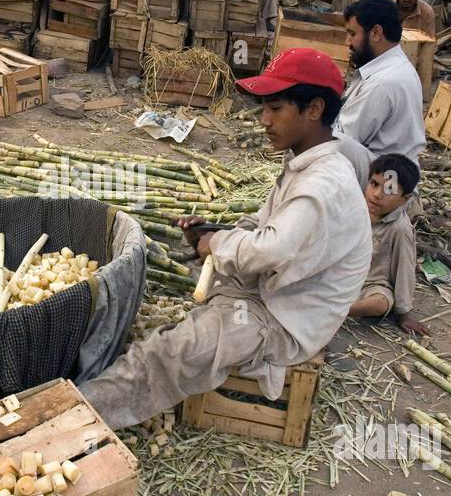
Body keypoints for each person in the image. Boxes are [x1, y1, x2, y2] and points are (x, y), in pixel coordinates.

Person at [78, 48, 372, 430]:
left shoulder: (322, 184)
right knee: (165, 332)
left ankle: (76, 417)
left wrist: (215, 245)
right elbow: (265, 227)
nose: (264, 121)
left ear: (314, 109)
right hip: (274, 293)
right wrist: (216, 232)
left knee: (167, 353)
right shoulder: (308, 161)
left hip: (284, 320)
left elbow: (269, 250)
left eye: (276, 109)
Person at [335, 0, 427, 167]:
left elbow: (343, 140)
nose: (347, 41)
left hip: (381, 181)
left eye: (352, 34)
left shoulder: (383, 82)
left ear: (376, 33)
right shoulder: (394, 66)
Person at [350, 154, 430, 336]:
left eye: (389, 190)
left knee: (380, 303)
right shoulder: (354, 209)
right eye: (374, 184)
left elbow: (405, 269)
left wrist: (404, 314)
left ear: (405, 198)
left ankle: (337, 310)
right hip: (341, 275)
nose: (377, 195)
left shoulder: (400, 229)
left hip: (370, 284)